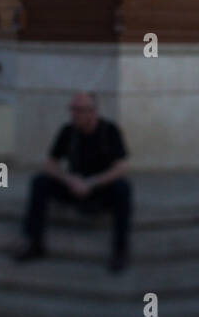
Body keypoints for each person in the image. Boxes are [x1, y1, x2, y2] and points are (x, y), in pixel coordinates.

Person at [15, 92, 131, 272]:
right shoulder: (68, 131)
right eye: (73, 110)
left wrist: (92, 182)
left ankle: (120, 251)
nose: (74, 114)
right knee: (40, 182)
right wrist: (69, 179)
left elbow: (121, 167)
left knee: (123, 188)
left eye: (79, 110)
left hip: (99, 188)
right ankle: (34, 243)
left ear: (93, 112)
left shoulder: (109, 130)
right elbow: (50, 164)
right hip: (73, 187)